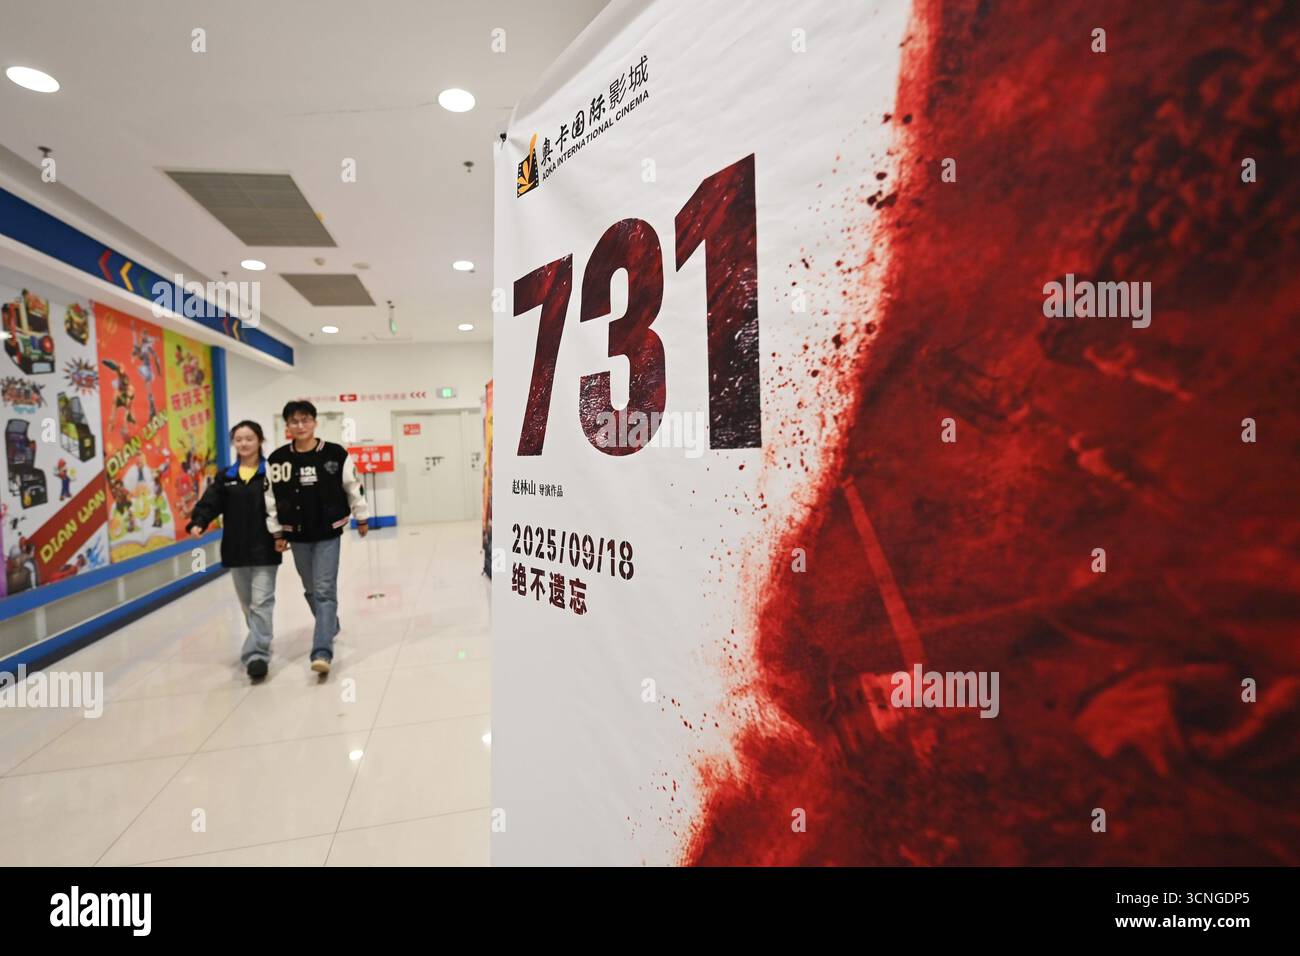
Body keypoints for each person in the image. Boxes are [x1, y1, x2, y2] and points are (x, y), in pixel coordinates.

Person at [265, 400, 369, 675]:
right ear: (287, 426)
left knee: (324, 589)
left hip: (327, 532)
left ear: (314, 422)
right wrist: (276, 531)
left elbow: (352, 486)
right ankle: (330, 624)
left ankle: (321, 650)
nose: (300, 426)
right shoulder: (277, 459)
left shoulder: (335, 453)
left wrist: (362, 516)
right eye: (294, 421)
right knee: (310, 588)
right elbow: (271, 498)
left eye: (305, 420)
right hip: (297, 534)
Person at [187, 420, 285, 680]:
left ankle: (257, 655)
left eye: (249, 438)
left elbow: (283, 506)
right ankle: (260, 641)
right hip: (236, 548)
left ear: (260, 441)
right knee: (248, 605)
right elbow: (210, 502)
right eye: (239, 439)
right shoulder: (226, 476)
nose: (244, 443)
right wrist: (199, 521)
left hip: (265, 547)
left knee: (262, 602)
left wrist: (284, 534)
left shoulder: (271, 473)